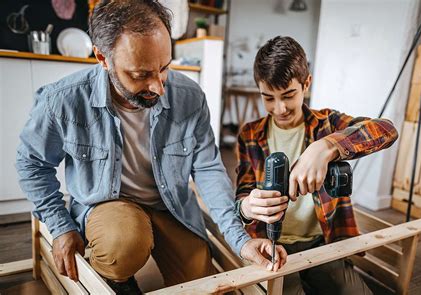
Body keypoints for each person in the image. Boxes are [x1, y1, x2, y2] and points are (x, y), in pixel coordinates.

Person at [15, 1, 286, 293]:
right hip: (109, 205)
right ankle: (118, 278)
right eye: (140, 74)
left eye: (164, 68)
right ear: (103, 59)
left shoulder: (190, 96)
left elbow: (208, 168)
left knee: (200, 281)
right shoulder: (63, 101)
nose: (158, 86)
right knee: (123, 245)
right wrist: (62, 227)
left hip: (171, 206)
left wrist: (241, 240)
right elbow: (31, 164)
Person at [234, 36, 399, 294]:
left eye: (288, 95)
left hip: (322, 242)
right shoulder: (249, 134)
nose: (279, 109)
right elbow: (241, 197)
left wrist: (327, 147)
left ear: (306, 84)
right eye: (268, 98)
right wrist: (248, 206)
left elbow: (386, 130)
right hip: (270, 244)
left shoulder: (327, 124)